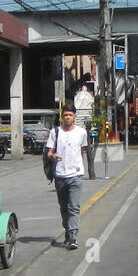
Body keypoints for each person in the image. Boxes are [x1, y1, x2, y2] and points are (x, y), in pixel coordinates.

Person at [45, 107, 89, 250]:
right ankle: (67, 230)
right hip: (60, 176)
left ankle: (73, 235)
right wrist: (53, 156)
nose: (68, 117)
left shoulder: (82, 132)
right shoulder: (55, 132)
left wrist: (78, 166)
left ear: (75, 116)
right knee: (64, 208)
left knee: (73, 207)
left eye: (70, 115)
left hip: (76, 175)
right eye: (65, 115)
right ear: (62, 117)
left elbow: (81, 151)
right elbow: (49, 153)